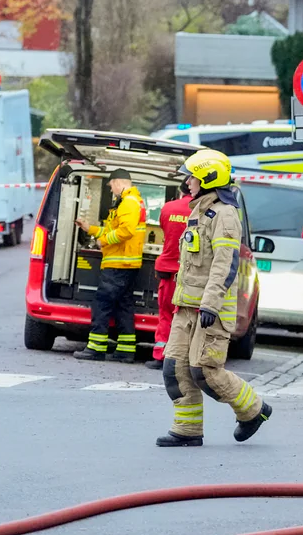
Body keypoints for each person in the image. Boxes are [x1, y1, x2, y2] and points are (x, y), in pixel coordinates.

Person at [157, 149, 271, 448]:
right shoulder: (199, 209)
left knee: (204, 371)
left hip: (210, 309)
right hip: (187, 307)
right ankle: (187, 430)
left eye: (192, 176)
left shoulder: (225, 214)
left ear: (207, 178)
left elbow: (225, 263)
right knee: (175, 369)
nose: (188, 181)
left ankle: (254, 410)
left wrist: (210, 303)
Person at [74, 169, 147, 362]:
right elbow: (112, 229)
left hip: (119, 263)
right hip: (125, 263)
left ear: (117, 182)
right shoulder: (128, 202)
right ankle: (125, 350)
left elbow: (126, 231)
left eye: (111, 185)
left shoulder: (128, 203)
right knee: (123, 306)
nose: (111, 189)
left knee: (102, 304)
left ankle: (96, 348)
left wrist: (103, 241)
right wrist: (89, 228)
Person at [147, 179, 193, 370]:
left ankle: (160, 355)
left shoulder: (168, 208)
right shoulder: (202, 211)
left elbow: (165, 232)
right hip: (190, 274)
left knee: (166, 315)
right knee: (187, 318)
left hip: (167, 270)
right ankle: (182, 359)